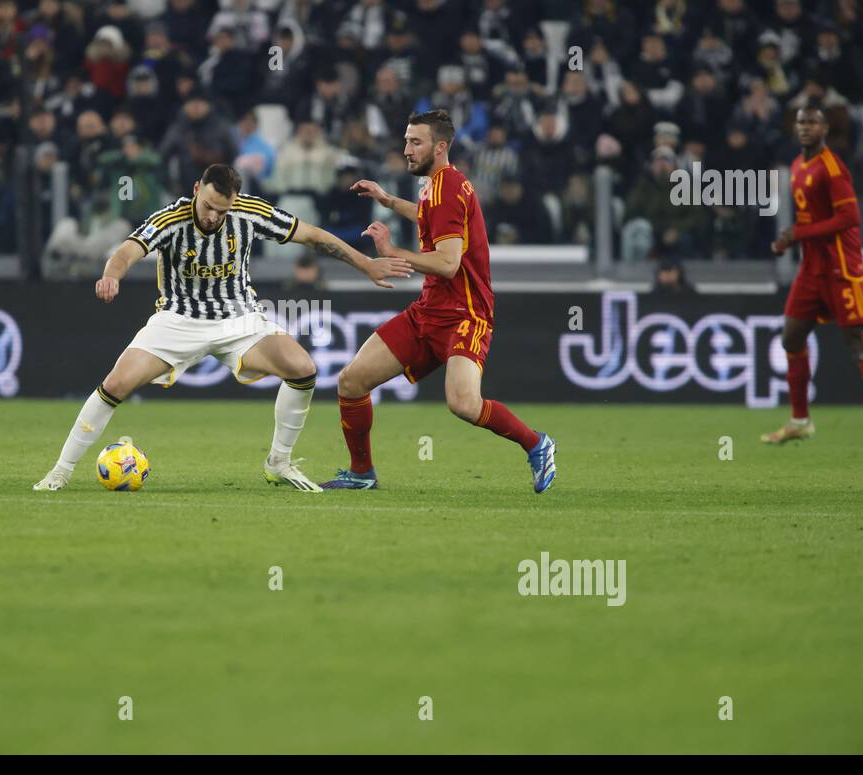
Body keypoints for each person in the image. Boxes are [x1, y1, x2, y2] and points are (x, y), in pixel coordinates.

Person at [33, 164, 412, 493]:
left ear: (235, 201)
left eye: (222, 210)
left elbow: (313, 236)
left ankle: (278, 463)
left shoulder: (250, 212)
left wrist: (366, 264)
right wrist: (111, 276)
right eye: (209, 206)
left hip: (239, 318)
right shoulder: (170, 218)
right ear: (196, 190)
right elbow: (128, 250)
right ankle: (60, 472)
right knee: (116, 384)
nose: (214, 216)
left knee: (303, 369)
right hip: (177, 320)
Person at [320, 110, 557, 493]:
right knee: (352, 381)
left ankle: (536, 443)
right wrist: (387, 199)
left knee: (463, 403)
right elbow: (430, 217)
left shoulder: (446, 187)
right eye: (406, 140)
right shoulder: (437, 184)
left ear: (440, 146)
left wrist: (393, 251)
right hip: (428, 311)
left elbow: (448, 264)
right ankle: (362, 472)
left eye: (416, 142)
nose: (406, 150)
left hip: (465, 314)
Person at [763, 106, 863, 446]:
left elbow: (850, 217)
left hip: (841, 269)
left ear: (825, 129)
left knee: (857, 343)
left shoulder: (833, 168)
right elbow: (810, 220)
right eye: (801, 122)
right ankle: (800, 420)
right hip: (811, 269)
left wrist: (799, 234)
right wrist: (788, 241)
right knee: (791, 337)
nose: (806, 128)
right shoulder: (797, 165)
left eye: (813, 122)